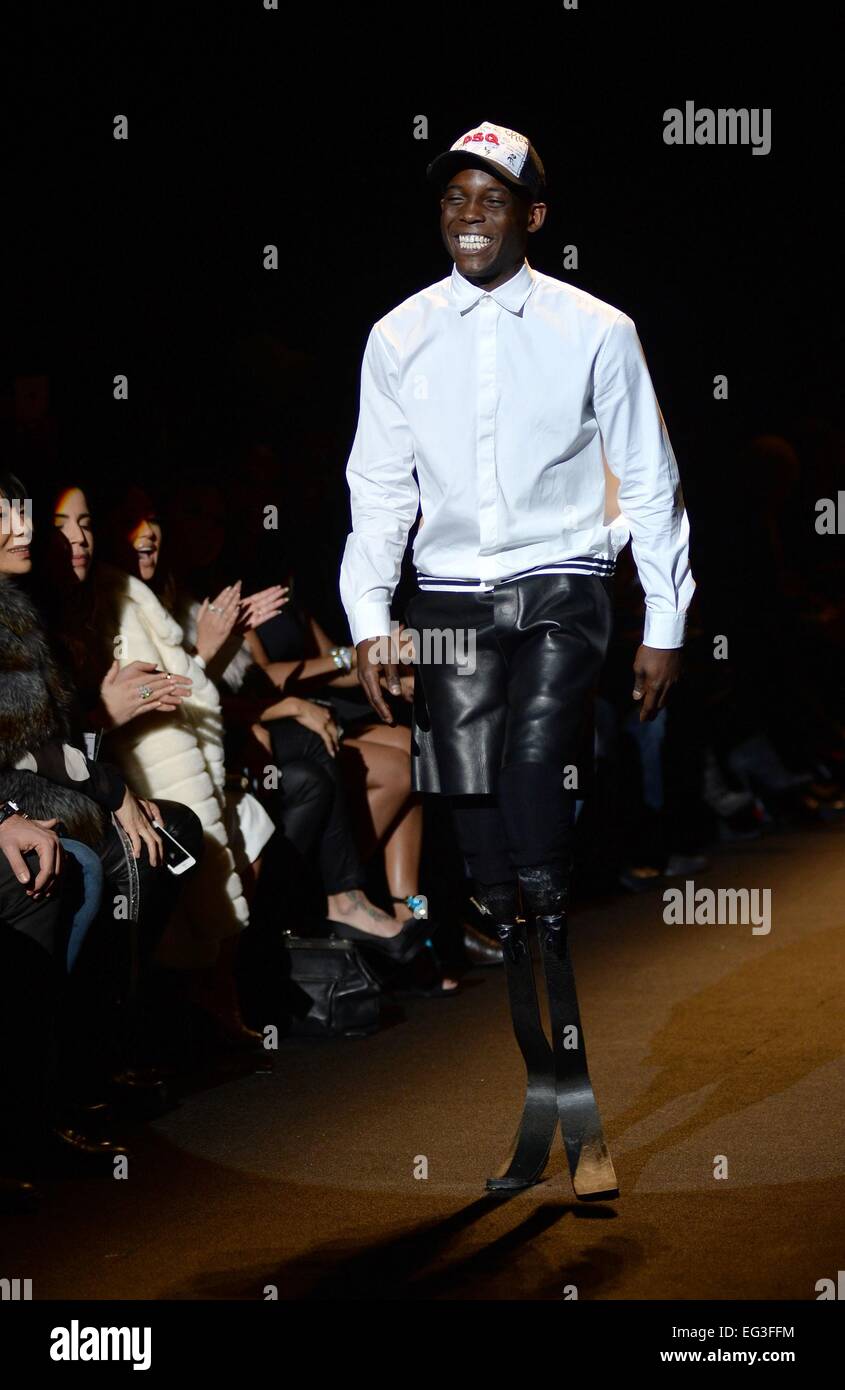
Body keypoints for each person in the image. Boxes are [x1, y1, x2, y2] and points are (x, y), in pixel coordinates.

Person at [339, 121, 695, 1197]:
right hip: (445, 606)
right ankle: (541, 1105)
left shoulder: (597, 329)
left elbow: (648, 477)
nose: (468, 215)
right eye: (453, 197)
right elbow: (376, 487)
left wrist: (663, 623)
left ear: (532, 215)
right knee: (489, 863)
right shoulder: (398, 335)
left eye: (490, 198)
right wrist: (365, 611)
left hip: (558, 592)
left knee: (537, 833)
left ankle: (582, 1124)